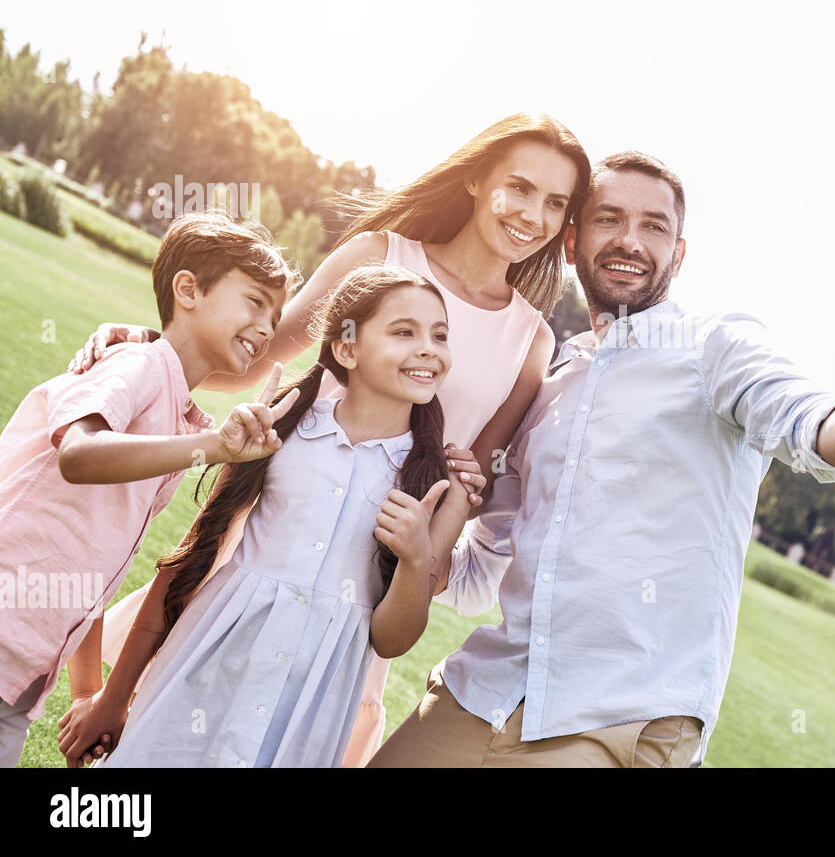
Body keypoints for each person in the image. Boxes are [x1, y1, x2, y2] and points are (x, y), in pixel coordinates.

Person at [367, 151, 835, 768]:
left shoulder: (717, 349)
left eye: (654, 226)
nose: (630, 240)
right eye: (609, 219)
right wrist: (424, 536)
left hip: (621, 724)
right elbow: (474, 577)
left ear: (678, 254)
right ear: (573, 239)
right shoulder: (551, 390)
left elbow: (815, 428)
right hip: (485, 693)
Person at [66, 112, 590, 765]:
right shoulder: (378, 256)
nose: (532, 214)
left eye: (555, 203)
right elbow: (259, 355)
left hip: (365, 581)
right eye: (520, 187)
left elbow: (464, 486)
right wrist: (149, 352)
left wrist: (427, 551)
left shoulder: (532, 340)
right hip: (280, 506)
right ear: (479, 179)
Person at [69, 266, 483, 767]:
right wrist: (114, 700)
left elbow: (392, 640)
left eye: (440, 335)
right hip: (202, 673)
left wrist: (417, 559)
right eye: (404, 332)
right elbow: (189, 561)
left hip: (305, 712)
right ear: (347, 349)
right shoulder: (277, 429)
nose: (428, 348)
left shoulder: (437, 484)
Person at [0, 213, 298, 768]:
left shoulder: (180, 421)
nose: (266, 325)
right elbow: (79, 454)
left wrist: (89, 694)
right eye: (255, 301)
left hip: (21, 676)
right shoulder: (135, 364)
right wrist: (215, 447)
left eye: (275, 315)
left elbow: (94, 574)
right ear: (188, 289)